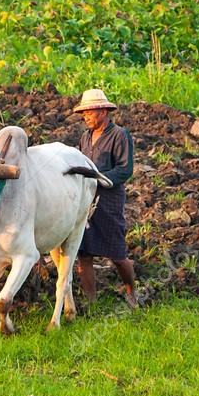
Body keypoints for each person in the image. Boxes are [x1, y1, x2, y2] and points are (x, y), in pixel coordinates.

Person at [73, 89, 137, 307]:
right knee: (84, 254)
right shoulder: (85, 137)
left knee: (117, 255)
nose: (85, 117)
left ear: (102, 111)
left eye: (88, 112)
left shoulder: (119, 135)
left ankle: (131, 292)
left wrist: (98, 179)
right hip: (86, 200)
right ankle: (91, 302)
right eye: (84, 113)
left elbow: (124, 169)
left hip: (109, 200)